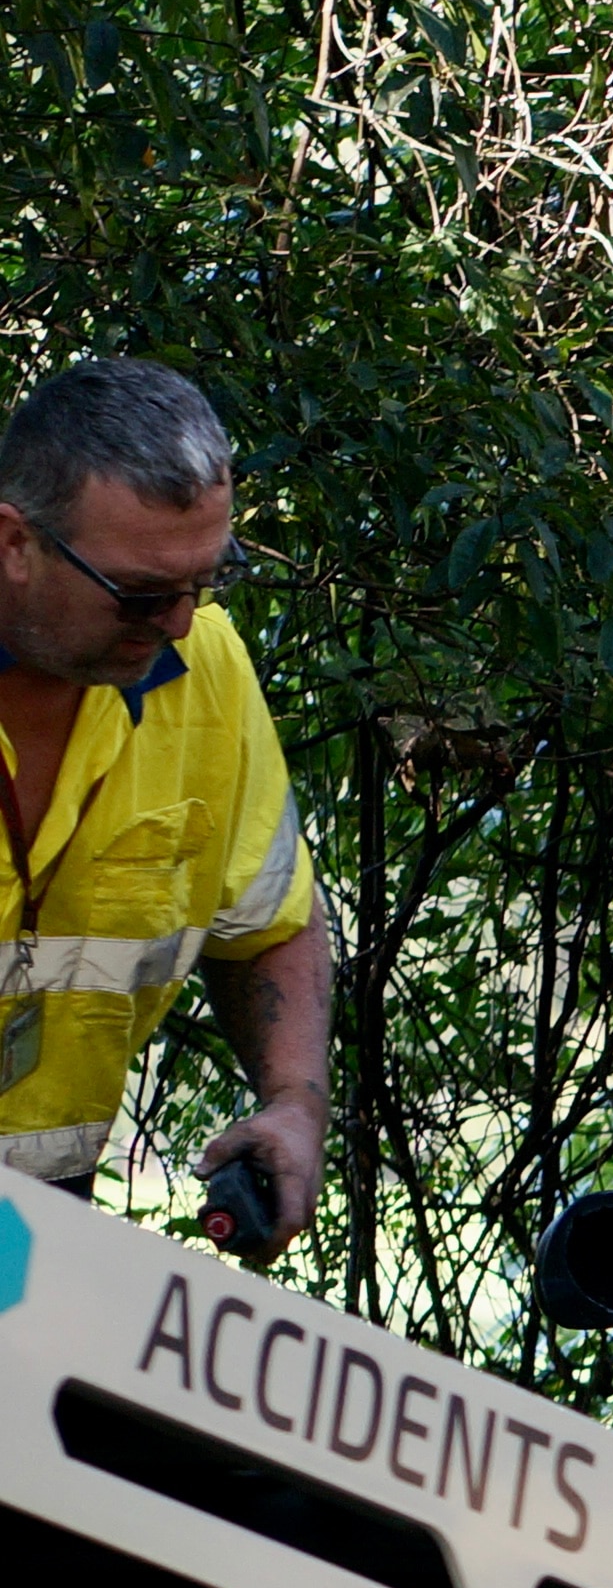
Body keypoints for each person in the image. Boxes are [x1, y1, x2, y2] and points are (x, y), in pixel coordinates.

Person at [0, 359, 325, 1244]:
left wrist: (293, 1102)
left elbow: (270, 919)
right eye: (142, 594)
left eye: (207, 581)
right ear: (15, 544)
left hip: (43, 1218)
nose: (179, 622)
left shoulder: (205, 670)